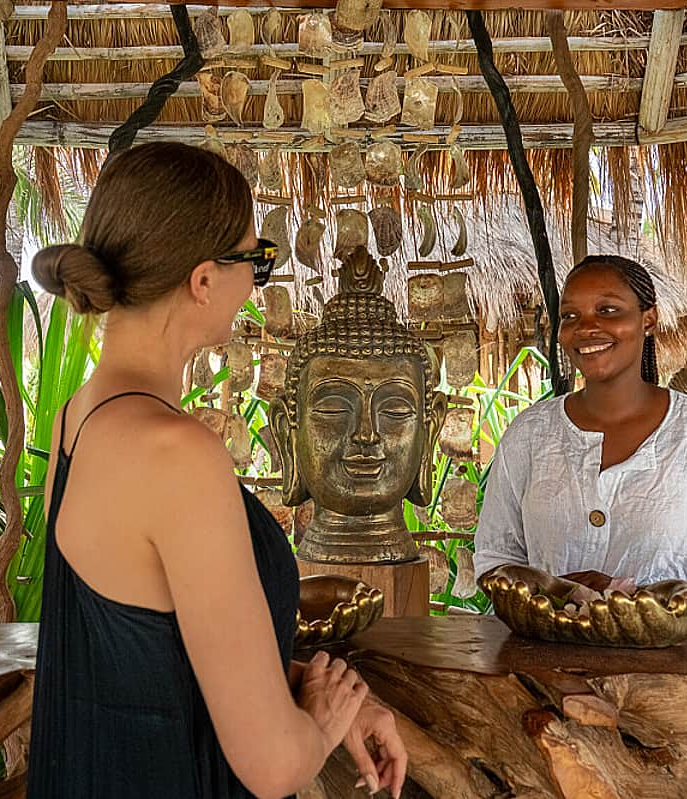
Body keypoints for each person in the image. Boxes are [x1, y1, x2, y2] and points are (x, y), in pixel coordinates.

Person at [26, 142, 406, 799]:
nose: (258, 280)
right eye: (257, 260)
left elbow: (151, 650)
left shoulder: (78, 419)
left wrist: (304, 687)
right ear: (204, 280)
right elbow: (273, 765)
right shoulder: (176, 453)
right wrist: (318, 727)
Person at [474, 254, 687, 611]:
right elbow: (494, 561)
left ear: (648, 319)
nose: (586, 327)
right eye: (570, 316)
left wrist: (638, 603)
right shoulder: (530, 436)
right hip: (545, 663)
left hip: (676, 664)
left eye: (608, 310)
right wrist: (552, 589)